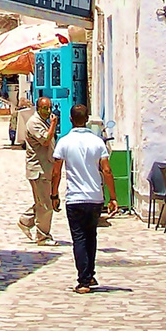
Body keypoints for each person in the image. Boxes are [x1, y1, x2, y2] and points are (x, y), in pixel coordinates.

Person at [51, 103, 118, 293]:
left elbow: (56, 171)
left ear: (70, 119)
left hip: (75, 198)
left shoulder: (64, 142)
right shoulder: (97, 142)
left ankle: (83, 280)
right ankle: (90, 273)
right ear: (87, 119)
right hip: (95, 197)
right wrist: (113, 197)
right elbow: (106, 170)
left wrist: (54, 194)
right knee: (91, 237)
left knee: (79, 238)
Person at [17, 98, 58, 245]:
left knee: (42, 201)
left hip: (45, 167)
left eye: (49, 108)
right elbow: (46, 140)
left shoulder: (43, 121)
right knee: (45, 204)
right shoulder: (34, 123)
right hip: (38, 169)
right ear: (38, 108)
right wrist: (53, 125)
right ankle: (43, 236)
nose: (47, 111)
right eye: (44, 108)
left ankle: (26, 221)